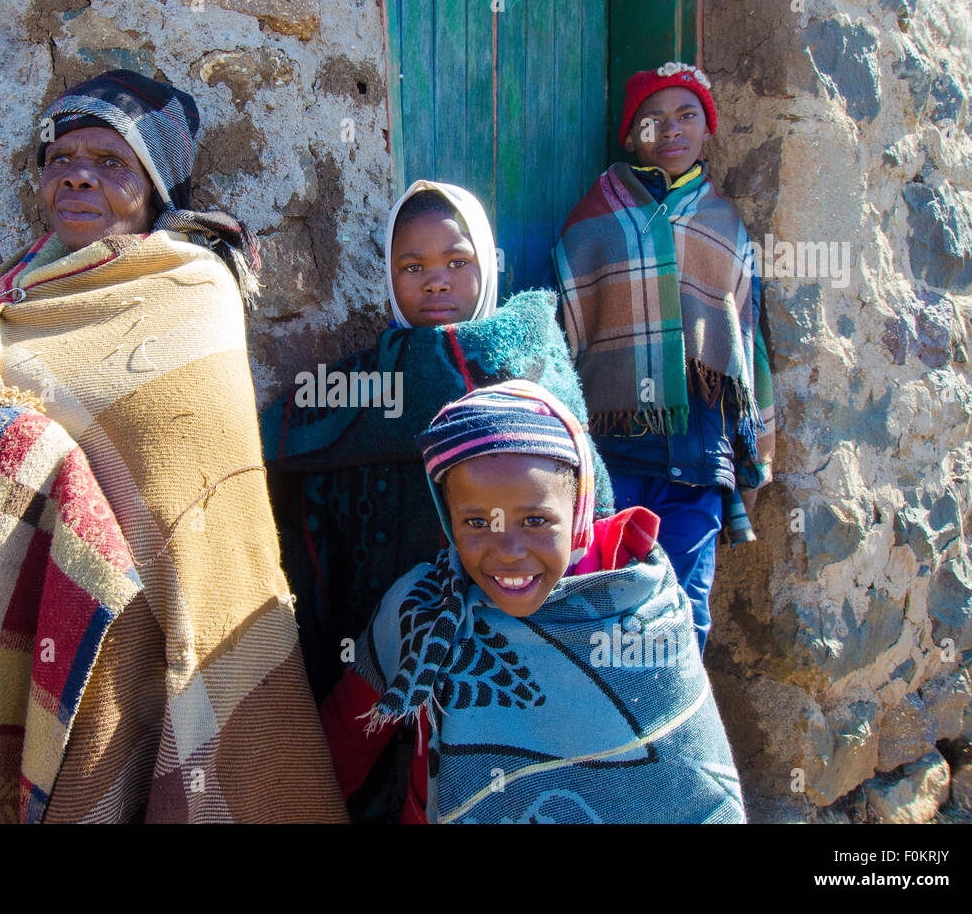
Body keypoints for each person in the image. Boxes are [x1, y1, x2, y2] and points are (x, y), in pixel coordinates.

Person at [0, 69, 346, 823]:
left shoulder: (191, 288)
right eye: (61, 158)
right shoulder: (5, 296)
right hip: (39, 598)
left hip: (153, 606)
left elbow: (191, 490)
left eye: (110, 162)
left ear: (156, 185)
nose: (77, 174)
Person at [261, 181, 614, 821]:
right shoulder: (366, 382)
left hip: (516, 620)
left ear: (487, 262)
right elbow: (284, 440)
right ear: (390, 278)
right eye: (412, 266)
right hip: (387, 632)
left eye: (457, 261)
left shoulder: (533, 360)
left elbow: (590, 498)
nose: (436, 281)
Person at [319, 380, 746, 824]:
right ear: (447, 519)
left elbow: (696, 788)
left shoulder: (640, 605)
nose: (508, 550)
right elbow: (343, 744)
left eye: (536, 520)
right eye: (477, 522)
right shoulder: (425, 611)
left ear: (579, 506)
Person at [550, 61, 775, 655]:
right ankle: (611, 742)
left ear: (708, 128)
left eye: (687, 115)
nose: (671, 130)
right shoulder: (593, 221)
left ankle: (675, 741)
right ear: (631, 137)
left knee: (686, 606)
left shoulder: (725, 224)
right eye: (653, 120)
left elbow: (746, 338)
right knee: (609, 597)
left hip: (701, 448)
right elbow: (571, 333)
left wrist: (758, 440)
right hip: (617, 442)